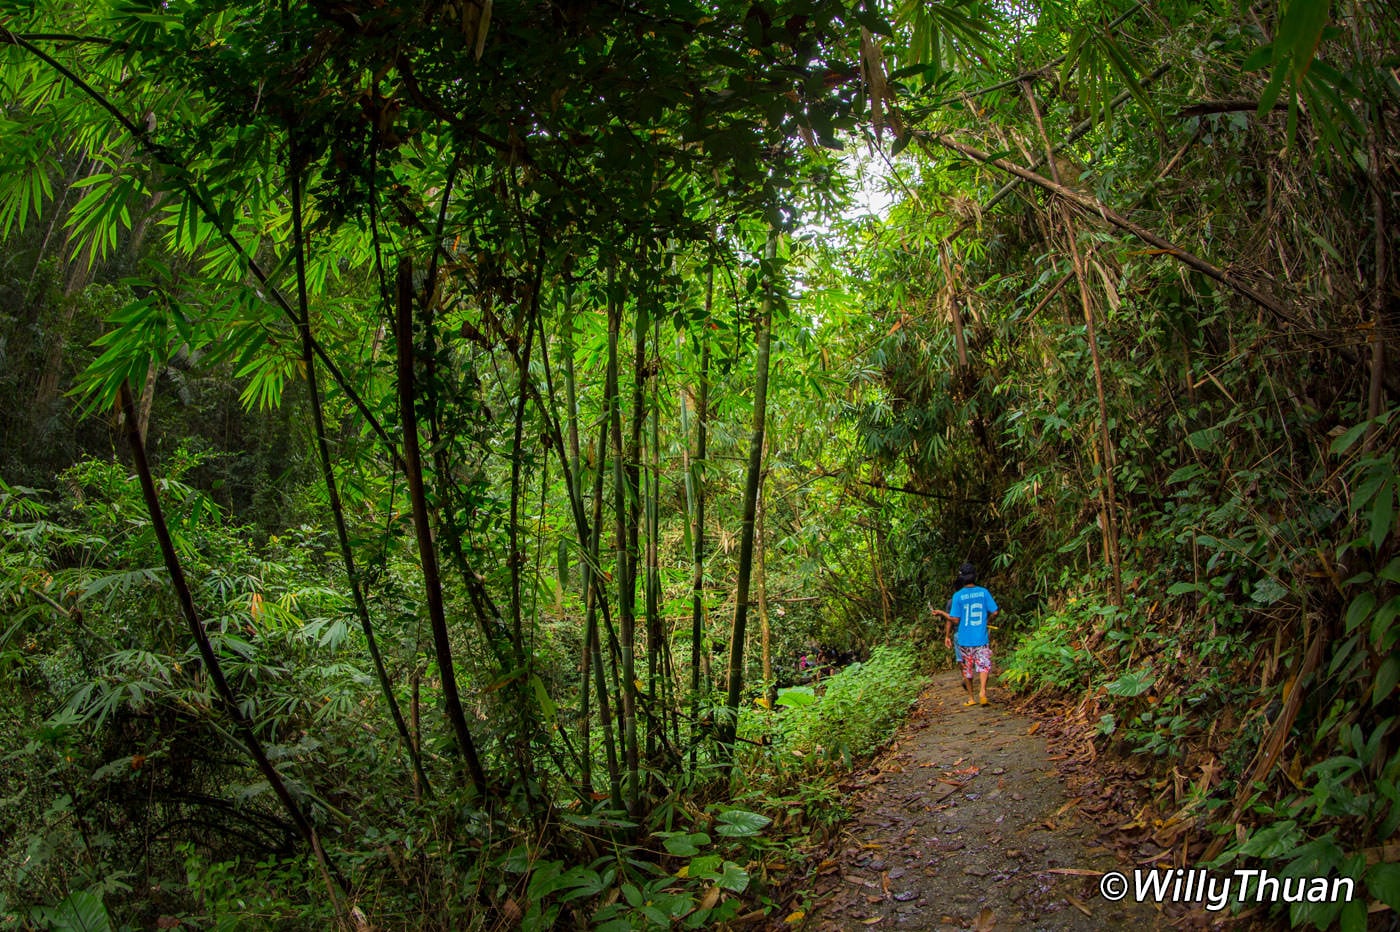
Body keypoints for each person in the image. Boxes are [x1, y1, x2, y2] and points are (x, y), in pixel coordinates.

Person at [932, 562, 999, 706]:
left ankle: (971, 698)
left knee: (967, 668)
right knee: (983, 665)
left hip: (964, 638)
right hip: (981, 636)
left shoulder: (958, 596)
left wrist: (942, 613)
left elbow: (955, 619)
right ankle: (983, 692)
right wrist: (987, 620)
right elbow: (995, 611)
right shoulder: (984, 592)